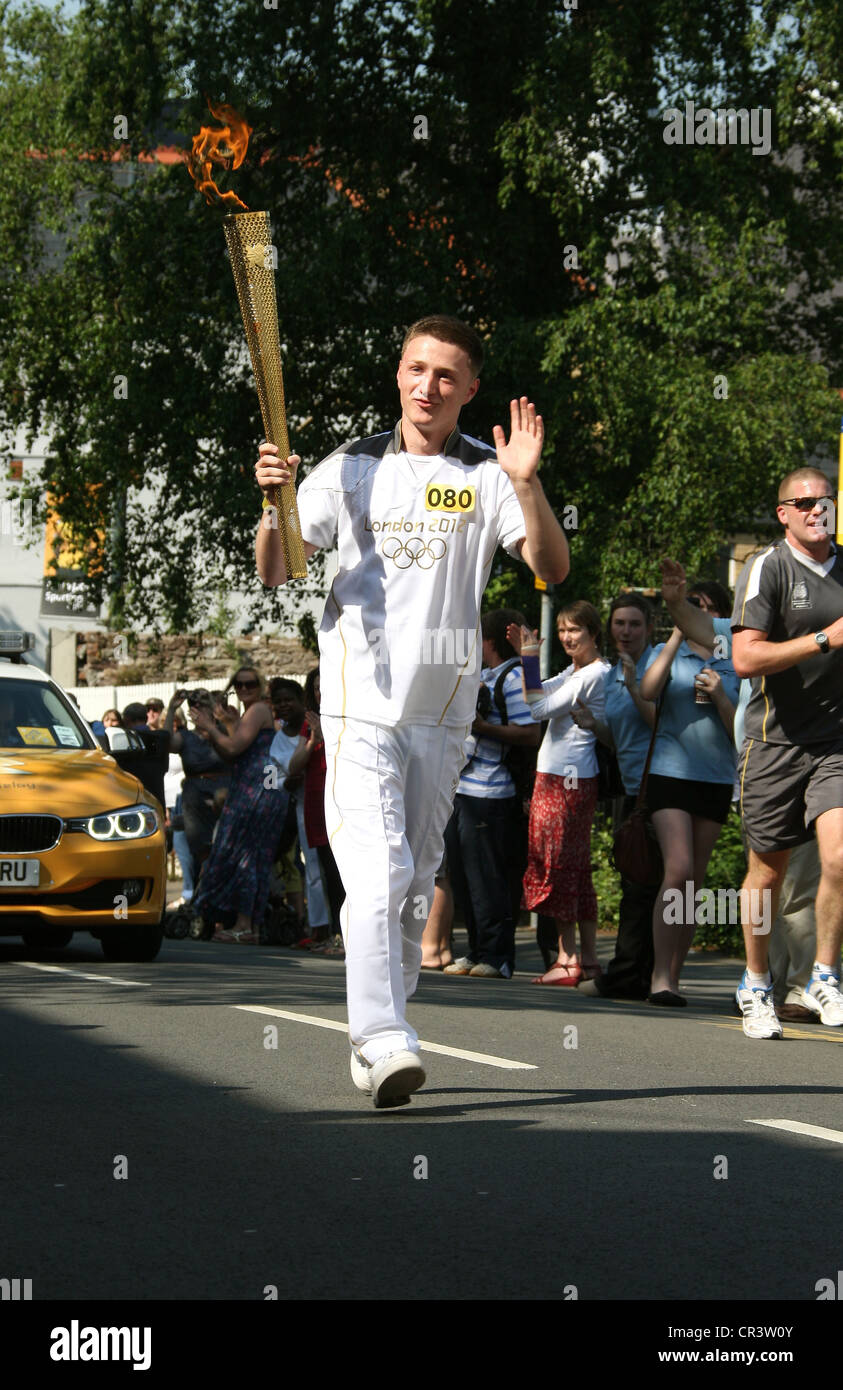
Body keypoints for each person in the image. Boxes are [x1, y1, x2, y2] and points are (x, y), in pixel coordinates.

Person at [255, 314, 569, 1107]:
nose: (426, 386)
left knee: (414, 880)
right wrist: (273, 504)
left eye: (445, 376)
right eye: (415, 369)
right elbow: (277, 569)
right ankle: (382, 1034)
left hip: (444, 710)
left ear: (467, 390)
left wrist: (527, 482)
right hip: (360, 702)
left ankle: (380, 1032)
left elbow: (550, 566)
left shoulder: (486, 472)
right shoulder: (353, 464)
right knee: (381, 871)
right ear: (398, 372)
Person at [730, 469, 843, 1038]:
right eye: (802, 503)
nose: (815, 510)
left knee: (840, 857)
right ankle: (755, 983)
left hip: (835, 744)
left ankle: (823, 974)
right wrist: (826, 638)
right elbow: (745, 659)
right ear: (783, 512)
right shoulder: (766, 568)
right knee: (766, 874)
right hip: (774, 743)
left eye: (824, 500)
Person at [638, 585, 738, 1005]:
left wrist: (718, 694)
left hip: (715, 776)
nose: (698, 614)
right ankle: (659, 975)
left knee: (694, 883)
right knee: (677, 869)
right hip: (670, 771)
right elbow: (647, 690)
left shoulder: (735, 656)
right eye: (691, 608)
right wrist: (677, 635)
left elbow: (742, 730)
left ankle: (675, 977)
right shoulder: (669, 648)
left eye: (706, 609)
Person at [507, 602, 610, 985]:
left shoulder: (595, 674)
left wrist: (529, 659)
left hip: (567, 779)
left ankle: (569, 959)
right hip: (561, 777)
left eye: (575, 630)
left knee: (559, 866)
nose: (567, 637)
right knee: (572, 868)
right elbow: (537, 693)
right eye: (563, 630)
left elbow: (537, 709)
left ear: (593, 633)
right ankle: (588, 960)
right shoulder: (577, 671)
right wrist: (527, 659)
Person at [443, 608, 540, 979]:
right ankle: (477, 949)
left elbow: (530, 733)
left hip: (492, 792)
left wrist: (482, 727)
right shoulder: (483, 676)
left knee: (489, 878)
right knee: (467, 877)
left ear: (496, 637)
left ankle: (498, 956)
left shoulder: (515, 677)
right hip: (463, 789)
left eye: (479, 634)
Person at [573, 593, 660, 999]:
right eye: (620, 624)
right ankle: (639, 974)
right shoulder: (609, 675)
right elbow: (619, 736)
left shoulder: (657, 664)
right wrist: (593, 725)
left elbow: (658, 722)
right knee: (637, 879)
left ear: (649, 628)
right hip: (630, 787)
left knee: (645, 882)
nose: (626, 631)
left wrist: (634, 684)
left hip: (660, 783)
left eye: (634, 624)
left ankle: (633, 974)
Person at [189, 667, 284, 944]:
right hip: (256, 789)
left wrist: (208, 726)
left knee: (244, 857)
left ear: (261, 685)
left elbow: (233, 748)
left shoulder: (257, 711)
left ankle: (244, 925)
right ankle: (247, 926)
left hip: (257, 793)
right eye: (238, 685)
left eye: (250, 684)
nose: (244, 689)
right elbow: (234, 752)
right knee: (250, 857)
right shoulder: (249, 714)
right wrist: (221, 728)